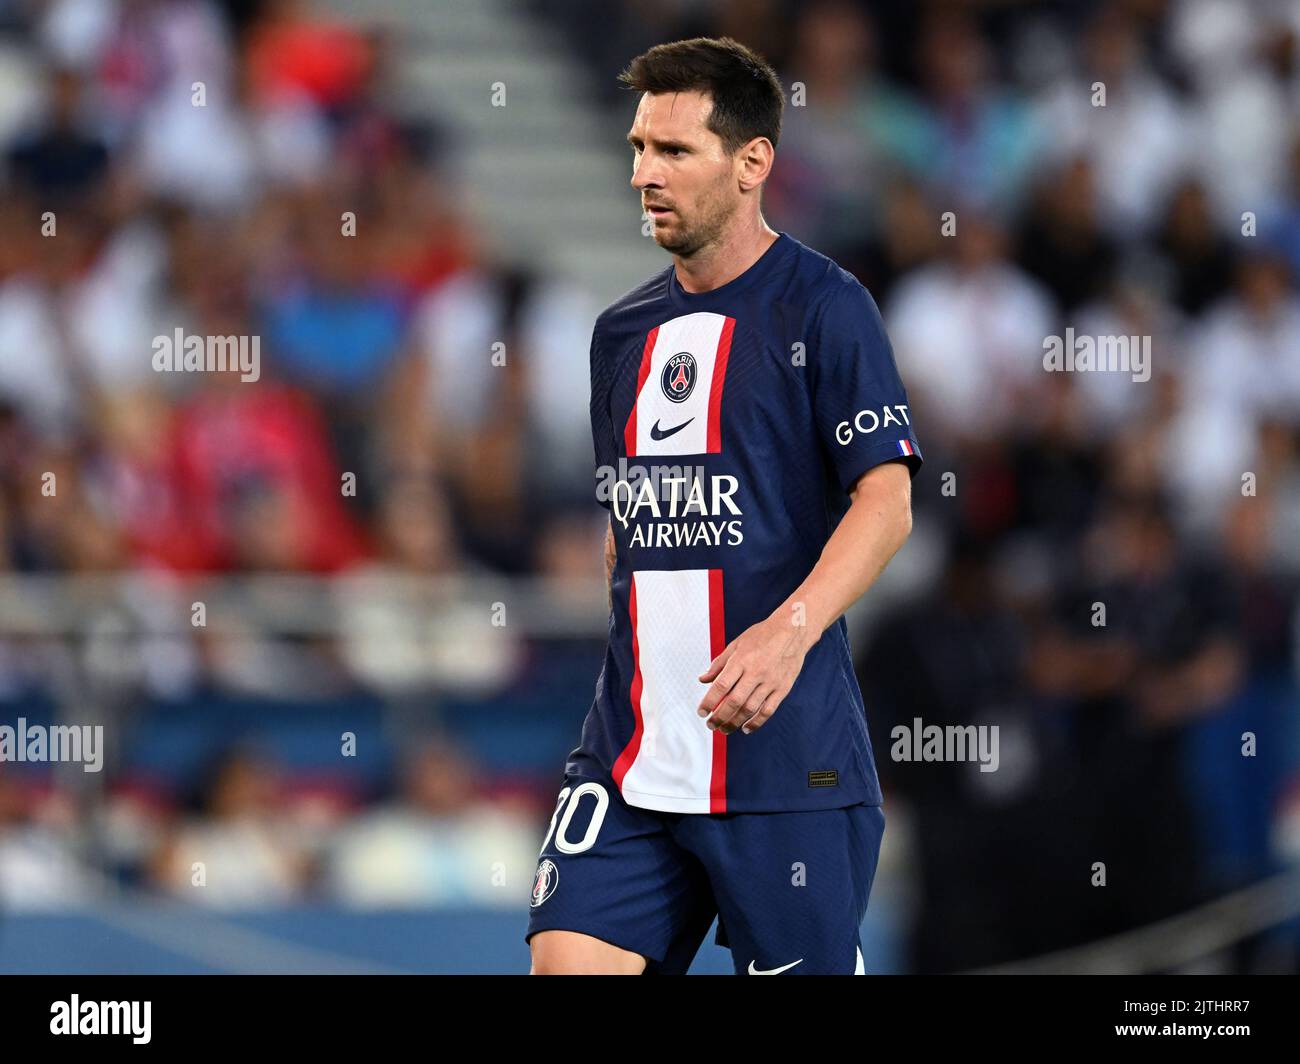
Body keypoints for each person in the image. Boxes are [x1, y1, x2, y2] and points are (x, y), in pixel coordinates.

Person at [526, 37, 921, 975]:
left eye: (672, 152)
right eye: (636, 148)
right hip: (631, 760)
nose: (641, 175)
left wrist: (787, 633)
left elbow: (888, 501)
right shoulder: (618, 335)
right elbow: (628, 527)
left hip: (785, 772)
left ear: (752, 163)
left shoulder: (827, 308)